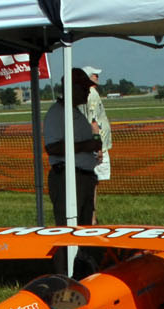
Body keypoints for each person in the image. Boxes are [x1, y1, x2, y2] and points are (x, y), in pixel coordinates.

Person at [43, 69, 100, 226]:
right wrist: (86, 146)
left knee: (84, 227)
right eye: (84, 88)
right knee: (68, 227)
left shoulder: (75, 112)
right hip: (68, 178)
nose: (88, 92)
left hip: (82, 177)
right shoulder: (57, 114)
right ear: (72, 88)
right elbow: (52, 148)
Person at [82, 67, 112, 220]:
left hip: (96, 142)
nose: (97, 77)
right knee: (92, 181)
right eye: (95, 75)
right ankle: (91, 217)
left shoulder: (90, 93)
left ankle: (92, 216)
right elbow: (93, 121)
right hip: (96, 143)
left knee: (93, 181)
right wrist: (98, 146)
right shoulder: (91, 93)